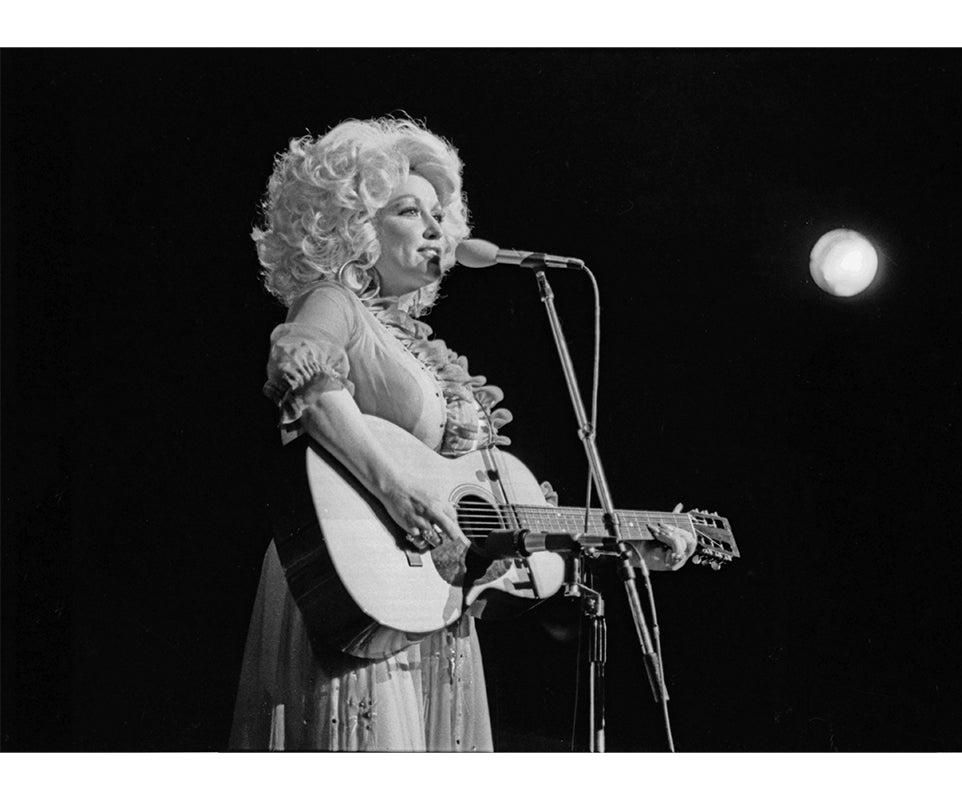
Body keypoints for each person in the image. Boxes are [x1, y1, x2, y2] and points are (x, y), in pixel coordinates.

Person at [229, 116, 697, 752]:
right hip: (351, 582)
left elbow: (494, 531)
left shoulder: (414, 344)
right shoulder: (333, 302)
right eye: (407, 210)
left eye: (438, 214)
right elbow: (303, 379)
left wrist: (620, 549)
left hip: (420, 608)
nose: (435, 228)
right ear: (355, 226)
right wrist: (397, 492)